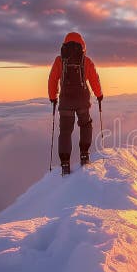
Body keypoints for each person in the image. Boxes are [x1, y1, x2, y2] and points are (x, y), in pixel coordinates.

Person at [48, 32, 103, 175]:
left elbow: (52, 79)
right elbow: (94, 79)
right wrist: (99, 95)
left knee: (65, 131)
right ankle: (84, 154)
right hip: (82, 101)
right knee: (85, 124)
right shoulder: (86, 61)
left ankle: (65, 163)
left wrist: (53, 97)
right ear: (82, 45)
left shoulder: (60, 60)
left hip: (65, 101)